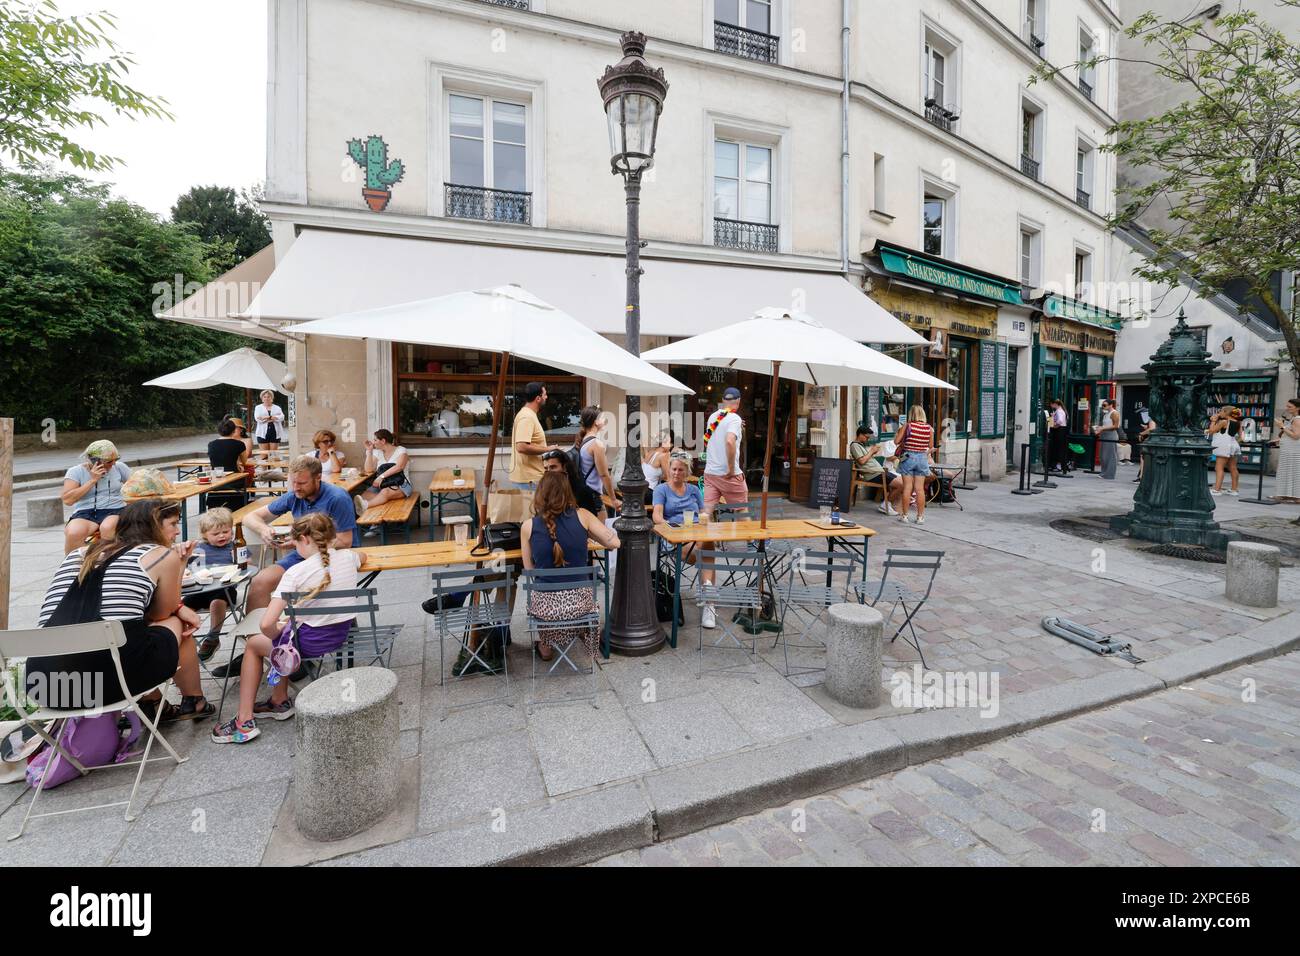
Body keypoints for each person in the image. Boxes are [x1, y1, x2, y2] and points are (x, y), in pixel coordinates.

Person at [29, 500, 212, 722]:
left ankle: (154, 704)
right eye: (173, 523)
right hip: (108, 684)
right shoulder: (160, 554)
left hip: (47, 686)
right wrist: (181, 566)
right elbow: (161, 613)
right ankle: (193, 700)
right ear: (154, 525)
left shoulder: (77, 553)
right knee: (172, 621)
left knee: (128, 633)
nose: (176, 530)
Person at [211, 513, 365, 744]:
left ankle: (244, 721)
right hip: (340, 636)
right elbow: (360, 556)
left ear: (303, 539)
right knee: (284, 632)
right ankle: (278, 699)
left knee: (255, 644)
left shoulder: (295, 573)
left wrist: (277, 637)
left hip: (308, 644)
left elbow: (265, 624)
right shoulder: (348, 558)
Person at [212, 455, 359, 679]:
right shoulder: (294, 495)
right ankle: (258, 647)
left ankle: (287, 649)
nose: (295, 488)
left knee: (295, 588)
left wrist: (307, 543)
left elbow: (346, 540)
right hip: (302, 551)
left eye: (301, 483)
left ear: (318, 478)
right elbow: (252, 516)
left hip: (331, 553)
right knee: (260, 582)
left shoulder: (337, 498)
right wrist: (264, 530)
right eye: (292, 482)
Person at [520, 472, 619, 662]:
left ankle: (546, 646)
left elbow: (529, 570)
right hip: (581, 606)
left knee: (541, 592)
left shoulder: (528, 526)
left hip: (545, 610)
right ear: (568, 492)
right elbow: (615, 543)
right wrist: (590, 534)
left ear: (540, 494)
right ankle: (579, 631)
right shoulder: (583, 515)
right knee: (581, 592)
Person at [184, 508, 240, 662]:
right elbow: (190, 569)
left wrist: (238, 559)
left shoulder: (234, 547)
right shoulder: (200, 549)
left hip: (225, 589)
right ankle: (183, 640)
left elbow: (247, 566)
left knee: (216, 602)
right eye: (216, 534)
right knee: (183, 606)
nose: (222, 536)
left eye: (226, 532)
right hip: (201, 589)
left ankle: (213, 637)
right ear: (205, 535)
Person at [61, 440, 133, 555]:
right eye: (109, 461)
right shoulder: (76, 471)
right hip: (85, 512)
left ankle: (107, 565)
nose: (113, 464)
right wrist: (93, 480)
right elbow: (68, 500)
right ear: (95, 461)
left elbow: (136, 485)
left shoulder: (119, 468)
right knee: (73, 533)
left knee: (108, 527)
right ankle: (73, 568)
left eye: (116, 460)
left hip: (116, 509)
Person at [356, 429, 412, 534]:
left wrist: (381, 477)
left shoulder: (401, 450)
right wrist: (369, 451)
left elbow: (399, 467)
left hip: (402, 485)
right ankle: (376, 524)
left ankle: (366, 507)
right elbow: (369, 469)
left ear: (383, 441)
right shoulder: (377, 453)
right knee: (365, 495)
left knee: (384, 493)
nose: (373, 442)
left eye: (375, 440)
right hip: (381, 487)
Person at [509, 381, 561, 491]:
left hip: (528, 479)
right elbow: (521, 447)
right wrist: (549, 449)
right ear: (538, 398)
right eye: (545, 394)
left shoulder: (527, 414)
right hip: (529, 481)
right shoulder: (527, 417)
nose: (546, 397)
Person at [702, 386, 746, 512]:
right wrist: (731, 469)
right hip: (728, 475)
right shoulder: (735, 419)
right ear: (738, 401)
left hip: (711, 473)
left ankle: (705, 531)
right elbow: (729, 441)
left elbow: (710, 439)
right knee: (740, 512)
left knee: (707, 513)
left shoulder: (713, 417)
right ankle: (746, 533)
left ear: (723, 400)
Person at [574, 406, 619, 518]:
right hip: (593, 496)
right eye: (603, 418)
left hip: (584, 494)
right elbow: (604, 475)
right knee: (600, 533)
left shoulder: (584, 440)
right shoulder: (596, 444)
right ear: (596, 422)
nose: (605, 421)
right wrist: (613, 499)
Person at [849, 424, 904, 515]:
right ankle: (886, 505)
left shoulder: (860, 445)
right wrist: (871, 451)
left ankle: (889, 505)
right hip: (874, 474)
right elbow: (862, 461)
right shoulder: (854, 445)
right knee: (901, 484)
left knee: (902, 482)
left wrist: (873, 453)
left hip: (878, 472)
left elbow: (865, 459)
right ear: (860, 435)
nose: (868, 439)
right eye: (867, 437)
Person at [894, 405, 934, 525]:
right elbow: (930, 445)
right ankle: (920, 517)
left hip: (908, 457)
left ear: (911, 414)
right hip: (922, 458)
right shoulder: (929, 428)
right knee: (919, 489)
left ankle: (905, 516)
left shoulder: (908, 425)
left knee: (907, 488)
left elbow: (896, 441)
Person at [206, 418, 251, 510]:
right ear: (234, 430)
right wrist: (237, 463)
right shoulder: (239, 444)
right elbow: (244, 461)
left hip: (216, 480)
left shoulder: (211, 444)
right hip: (234, 481)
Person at [1207, 406, 1242, 497]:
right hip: (1233, 446)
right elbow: (1241, 437)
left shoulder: (1224, 422)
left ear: (1226, 412)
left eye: (1221, 411)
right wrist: (1232, 443)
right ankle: (1234, 490)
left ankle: (1217, 490)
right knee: (1233, 468)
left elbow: (1211, 431)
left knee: (1219, 468)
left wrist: (1213, 421)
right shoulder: (1238, 422)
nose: (1219, 413)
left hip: (1223, 446)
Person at [1271, 399, 1300, 503]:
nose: (1287, 408)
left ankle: (1296, 496)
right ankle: (1287, 494)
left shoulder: (1297, 419)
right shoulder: (1294, 418)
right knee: (1288, 471)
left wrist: (1282, 426)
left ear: (1298, 408)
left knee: (1293, 471)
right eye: (1287, 406)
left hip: (1293, 451)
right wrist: (1279, 439)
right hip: (1289, 449)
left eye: (1290, 407)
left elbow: (1296, 436)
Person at [1092, 399, 1121, 480]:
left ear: (1111, 405)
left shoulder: (1114, 413)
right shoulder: (1106, 414)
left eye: (1105, 405)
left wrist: (1103, 428)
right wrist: (1098, 428)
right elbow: (1105, 425)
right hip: (1104, 434)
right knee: (1103, 455)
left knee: (1111, 455)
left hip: (1111, 435)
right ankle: (1104, 472)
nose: (1103, 407)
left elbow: (1116, 426)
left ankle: (1109, 474)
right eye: (1102, 405)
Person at [1133, 407, 1157, 482]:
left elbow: (1152, 429)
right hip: (1150, 440)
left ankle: (1142, 477)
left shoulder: (1151, 419)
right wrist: (1146, 427)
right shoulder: (1153, 418)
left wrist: (1141, 433)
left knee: (1143, 458)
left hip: (1149, 441)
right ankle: (1141, 476)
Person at [1047, 399, 1070, 474]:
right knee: (1060, 449)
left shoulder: (1059, 411)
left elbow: (1060, 421)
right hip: (1061, 431)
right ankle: (1060, 466)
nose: (1051, 406)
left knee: (1058, 449)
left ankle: (1059, 466)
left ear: (1055, 404)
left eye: (1051, 404)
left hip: (1059, 431)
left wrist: (1054, 426)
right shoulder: (1061, 410)